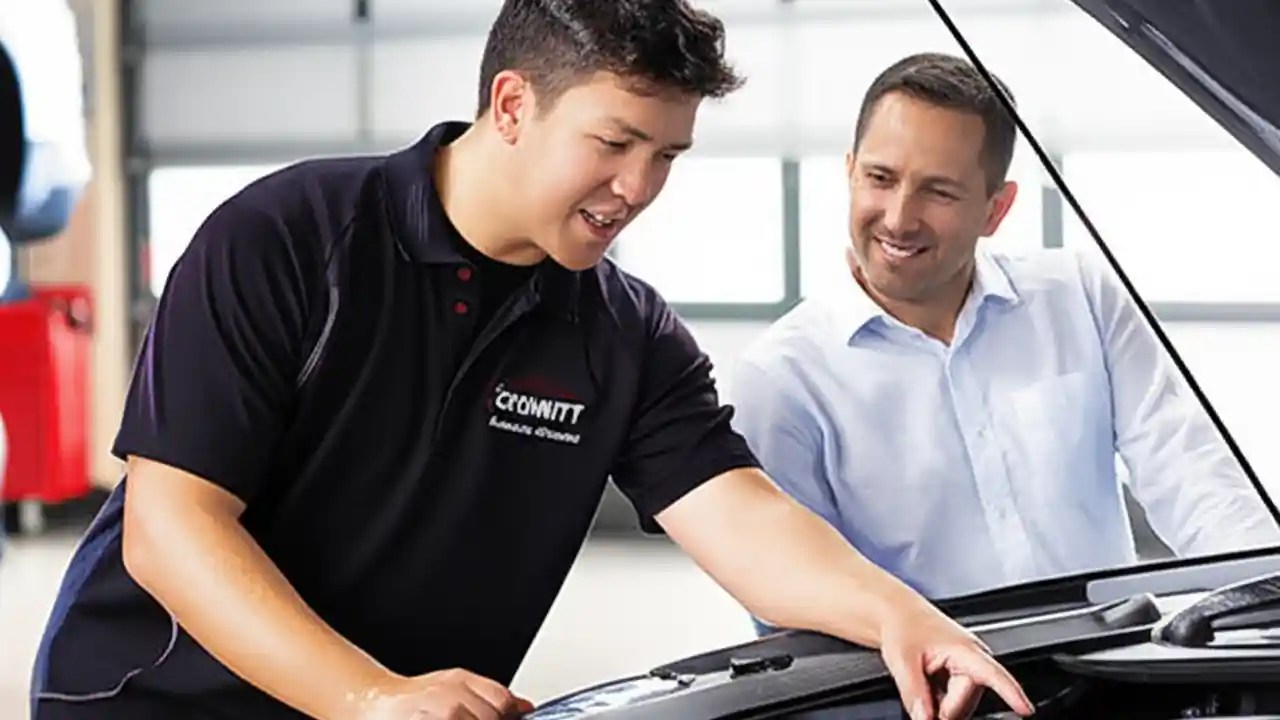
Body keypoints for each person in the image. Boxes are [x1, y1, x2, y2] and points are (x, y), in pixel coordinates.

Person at [31, 5, 1034, 720]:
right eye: (614, 141)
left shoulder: (622, 332)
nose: (637, 186)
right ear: (511, 105)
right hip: (157, 700)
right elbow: (170, 532)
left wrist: (908, 619)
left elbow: (738, 511)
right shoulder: (285, 240)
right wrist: (367, 698)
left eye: (667, 156)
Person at [732, 51, 1280, 636]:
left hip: (1112, 679)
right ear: (849, 171)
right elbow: (793, 607)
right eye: (880, 178)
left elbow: (1190, 470)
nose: (898, 217)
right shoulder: (780, 378)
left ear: (997, 208)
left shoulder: (1080, 296)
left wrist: (1266, 590)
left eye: (938, 192)